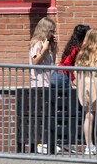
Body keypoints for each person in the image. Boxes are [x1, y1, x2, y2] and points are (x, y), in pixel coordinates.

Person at [28, 17, 57, 154]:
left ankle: (47, 142)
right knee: (41, 115)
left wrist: (54, 50)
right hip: (39, 84)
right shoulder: (37, 44)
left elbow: (52, 64)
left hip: (47, 83)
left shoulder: (46, 45)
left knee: (48, 115)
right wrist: (44, 49)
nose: (53, 34)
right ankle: (39, 143)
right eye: (51, 31)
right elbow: (35, 62)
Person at [51, 24, 90, 88]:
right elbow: (67, 63)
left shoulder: (72, 44)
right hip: (62, 76)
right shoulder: (75, 47)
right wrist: (72, 78)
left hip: (58, 75)